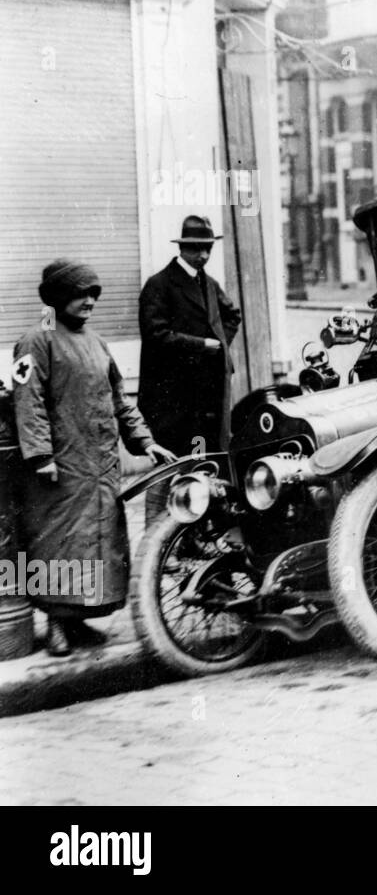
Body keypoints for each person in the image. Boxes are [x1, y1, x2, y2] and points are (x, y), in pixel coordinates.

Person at [11, 260, 176, 656]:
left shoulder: (97, 343)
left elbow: (121, 400)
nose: (89, 302)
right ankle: (56, 626)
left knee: (97, 542)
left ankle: (80, 621)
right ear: (59, 296)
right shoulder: (36, 340)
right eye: (81, 294)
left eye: (93, 295)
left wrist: (145, 441)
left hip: (99, 462)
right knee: (59, 542)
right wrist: (40, 456)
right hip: (61, 465)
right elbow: (27, 401)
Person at [138, 215, 241, 524]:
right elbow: (156, 335)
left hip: (206, 397)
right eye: (197, 249)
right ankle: (154, 540)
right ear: (183, 248)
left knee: (203, 465)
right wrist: (203, 346)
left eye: (208, 248)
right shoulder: (159, 285)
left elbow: (232, 315)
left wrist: (221, 346)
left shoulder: (209, 283)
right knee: (166, 467)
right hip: (170, 398)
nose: (204, 255)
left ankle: (194, 536)